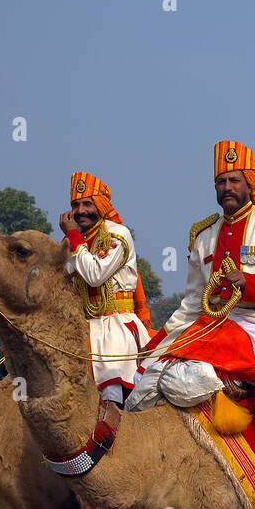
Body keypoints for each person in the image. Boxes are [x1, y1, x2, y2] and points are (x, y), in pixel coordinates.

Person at [131, 140, 255, 505]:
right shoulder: (204, 235)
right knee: (153, 371)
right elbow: (191, 299)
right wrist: (160, 340)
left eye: (234, 180)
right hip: (213, 319)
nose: (227, 188)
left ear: (249, 183)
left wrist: (252, 283)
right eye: (220, 182)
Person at [59, 172, 151, 408]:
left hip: (115, 329)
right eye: (76, 205)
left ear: (100, 205)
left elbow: (94, 275)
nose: (80, 211)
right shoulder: (75, 241)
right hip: (84, 329)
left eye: (87, 203)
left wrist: (71, 236)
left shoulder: (117, 234)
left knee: (112, 395)